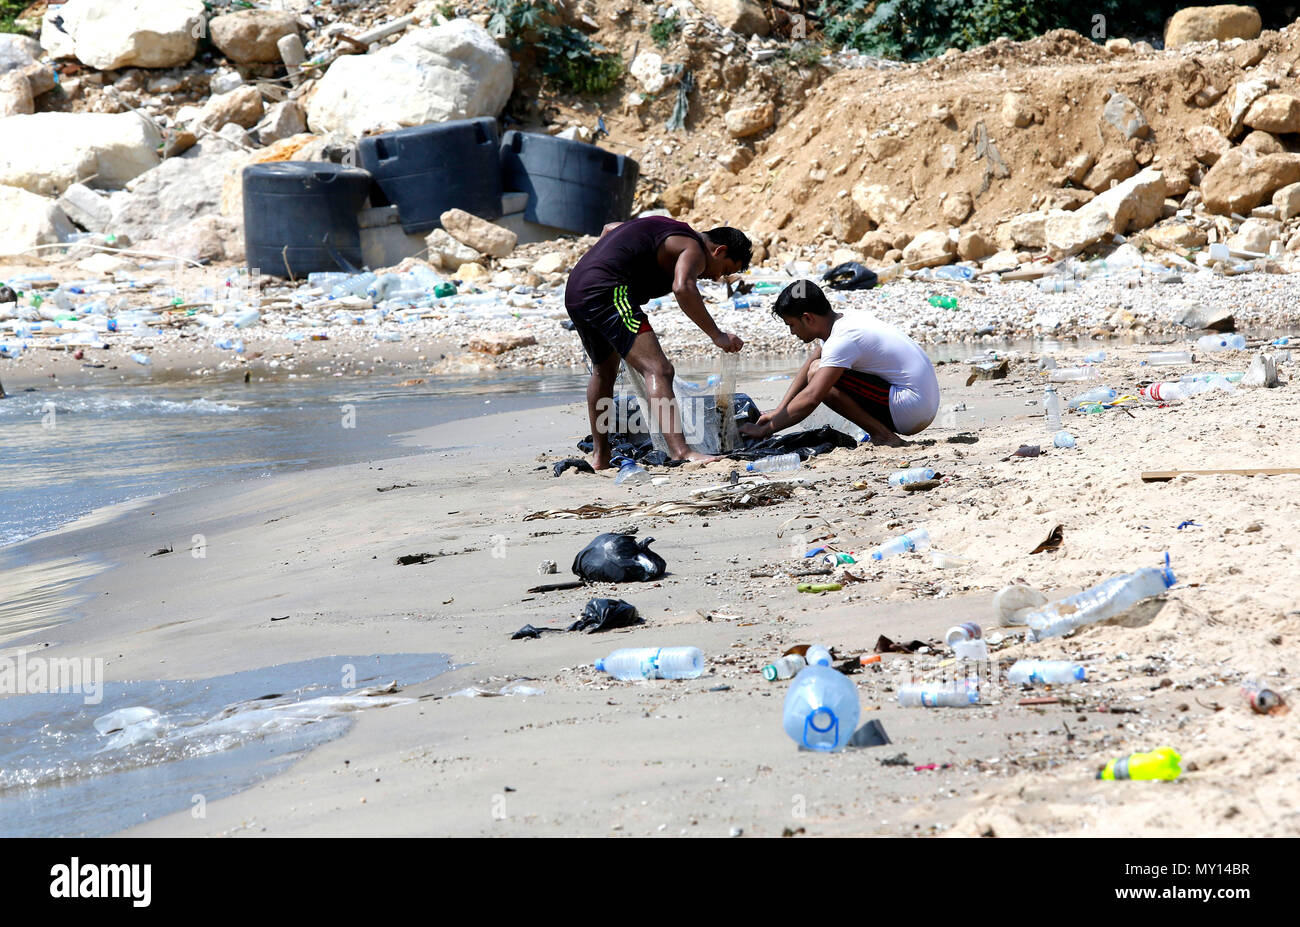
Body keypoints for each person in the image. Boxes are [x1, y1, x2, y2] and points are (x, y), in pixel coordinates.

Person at [565, 216, 751, 468]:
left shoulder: (668, 231)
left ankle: (601, 456)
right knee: (659, 370)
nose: (718, 277)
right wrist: (717, 335)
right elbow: (683, 287)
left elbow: (610, 228)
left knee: (604, 372)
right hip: (608, 292)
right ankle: (681, 451)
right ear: (720, 250)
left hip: (577, 289)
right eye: (725, 270)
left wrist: (601, 263)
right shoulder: (693, 247)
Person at [741, 280, 939, 446]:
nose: (792, 332)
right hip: (921, 401)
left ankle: (883, 435)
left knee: (817, 376)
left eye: (791, 325)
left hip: (912, 408)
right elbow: (812, 359)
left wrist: (768, 429)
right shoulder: (841, 319)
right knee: (815, 369)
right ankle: (881, 432)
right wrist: (779, 410)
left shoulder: (842, 339)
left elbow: (812, 397)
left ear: (808, 318)